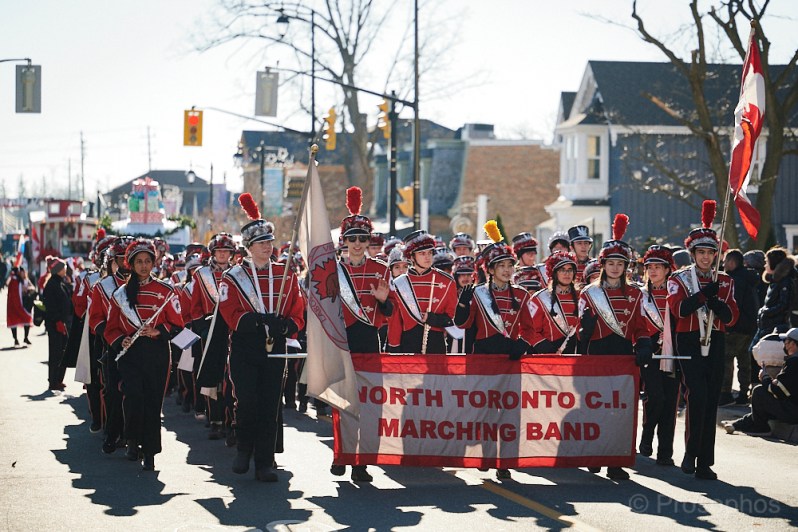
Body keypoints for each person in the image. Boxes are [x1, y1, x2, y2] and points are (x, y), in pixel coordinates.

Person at [218, 193, 305, 482]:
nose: (268, 247)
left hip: (275, 347)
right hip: (245, 346)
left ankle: (265, 462)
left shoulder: (286, 274)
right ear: (249, 247)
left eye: (270, 242)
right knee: (247, 401)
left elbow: (297, 310)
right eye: (261, 243)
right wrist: (260, 321)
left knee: (270, 404)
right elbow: (230, 314)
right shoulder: (233, 277)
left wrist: (287, 326)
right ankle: (244, 448)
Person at [667, 200, 739, 480]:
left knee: (711, 401)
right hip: (688, 340)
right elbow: (679, 310)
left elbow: (732, 317)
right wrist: (701, 296)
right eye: (701, 252)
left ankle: (705, 461)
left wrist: (718, 302)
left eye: (711, 252)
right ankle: (689, 453)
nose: (706, 257)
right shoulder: (679, 279)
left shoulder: (726, 281)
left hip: (716, 341)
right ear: (693, 253)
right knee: (696, 395)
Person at [578, 214, 651, 481]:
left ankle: (616, 461)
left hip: (623, 357)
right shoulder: (588, 293)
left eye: (620, 263)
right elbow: (580, 333)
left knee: (620, 411)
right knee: (595, 407)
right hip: (596, 356)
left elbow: (641, 326)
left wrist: (643, 344)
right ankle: (595, 454)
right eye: (611, 263)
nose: (616, 268)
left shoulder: (636, 294)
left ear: (626, 267)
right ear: (603, 265)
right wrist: (585, 328)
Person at [330, 186, 392, 482]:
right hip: (341, 341)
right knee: (341, 401)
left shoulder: (381, 268)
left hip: (369, 340)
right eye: (352, 239)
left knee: (368, 403)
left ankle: (361, 462)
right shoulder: (332, 270)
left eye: (362, 239)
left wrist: (383, 301)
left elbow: (391, 314)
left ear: (369, 241)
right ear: (343, 241)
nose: (357, 244)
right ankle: (341, 454)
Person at [105, 238, 183, 471]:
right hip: (130, 353)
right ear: (130, 264)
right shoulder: (119, 294)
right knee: (133, 397)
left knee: (152, 402)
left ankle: (149, 452)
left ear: (154, 263)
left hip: (156, 352)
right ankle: (131, 439)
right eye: (138, 261)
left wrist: (159, 330)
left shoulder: (166, 291)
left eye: (147, 261)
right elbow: (111, 328)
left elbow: (177, 324)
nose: (143, 266)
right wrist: (121, 339)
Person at [454, 221, 532, 360]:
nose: (507, 270)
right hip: (483, 358)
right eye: (501, 265)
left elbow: (529, 328)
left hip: (510, 358)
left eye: (510, 265)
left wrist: (522, 344)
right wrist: (462, 306)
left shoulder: (522, 294)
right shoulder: (478, 293)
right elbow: (463, 324)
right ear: (490, 269)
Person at [90, 236, 133, 454]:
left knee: (137, 393)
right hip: (113, 345)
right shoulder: (103, 286)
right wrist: (110, 335)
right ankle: (112, 432)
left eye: (129, 258)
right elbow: (95, 318)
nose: (125, 263)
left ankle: (133, 437)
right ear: (112, 260)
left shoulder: (147, 283)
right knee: (113, 393)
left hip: (141, 346)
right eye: (120, 258)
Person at [638, 245, 680, 466]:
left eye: (658, 267)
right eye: (649, 267)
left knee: (670, 402)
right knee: (656, 397)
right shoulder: (640, 294)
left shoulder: (677, 292)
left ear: (667, 269)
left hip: (673, 353)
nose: (653, 271)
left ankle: (665, 453)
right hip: (649, 352)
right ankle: (646, 434)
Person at [192, 232, 236, 440]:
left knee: (232, 377)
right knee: (212, 376)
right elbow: (195, 306)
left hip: (233, 331)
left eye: (226, 250)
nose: (222, 254)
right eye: (219, 250)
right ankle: (215, 418)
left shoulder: (238, 273)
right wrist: (202, 326)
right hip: (210, 332)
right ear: (213, 252)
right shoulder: (201, 275)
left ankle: (230, 421)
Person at [387, 230, 457, 354]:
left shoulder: (447, 281)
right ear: (412, 256)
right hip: (408, 344)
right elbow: (396, 322)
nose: (428, 257)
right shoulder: (399, 283)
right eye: (422, 253)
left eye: (430, 252)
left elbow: (450, 318)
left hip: (436, 344)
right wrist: (394, 349)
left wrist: (433, 319)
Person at [724, 328, 798, 435]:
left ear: (793, 344)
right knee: (761, 409)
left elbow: (779, 391)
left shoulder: (793, 362)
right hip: (793, 408)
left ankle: (761, 428)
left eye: (786, 341)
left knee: (759, 391)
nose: (785, 344)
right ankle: (736, 425)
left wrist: (765, 378)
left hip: (793, 412)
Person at [719, 249, 759, 406]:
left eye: (724, 262)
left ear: (732, 262)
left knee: (726, 360)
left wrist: (728, 323)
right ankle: (743, 393)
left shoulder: (734, 280)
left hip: (735, 326)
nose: (723, 265)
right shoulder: (749, 278)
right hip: (750, 325)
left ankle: (725, 394)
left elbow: (733, 304)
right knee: (744, 361)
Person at [528, 251, 580, 355]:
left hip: (576, 356)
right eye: (562, 270)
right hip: (548, 358)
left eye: (570, 270)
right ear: (554, 273)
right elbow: (529, 330)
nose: (567, 274)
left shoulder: (582, 297)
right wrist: (547, 349)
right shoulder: (539, 299)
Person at [42, 259, 72, 391]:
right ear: (58, 269)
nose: (65, 269)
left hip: (63, 322)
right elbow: (51, 306)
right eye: (64, 267)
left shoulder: (61, 282)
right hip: (55, 324)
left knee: (63, 352)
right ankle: (53, 381)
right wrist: (57, 321)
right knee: (55, 353)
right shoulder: (51, 285)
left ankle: (59, 379)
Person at [6, 266, 34, 346]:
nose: (23, 273)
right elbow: (13, 292)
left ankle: (26, 337)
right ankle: (15, 339)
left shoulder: (25, 280)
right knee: (13, 321)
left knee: (27, 319)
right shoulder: (14, 280)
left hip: (24, 304)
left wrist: (28, 289)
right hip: (14, 305)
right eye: (21, 272)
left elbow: (32, 287)